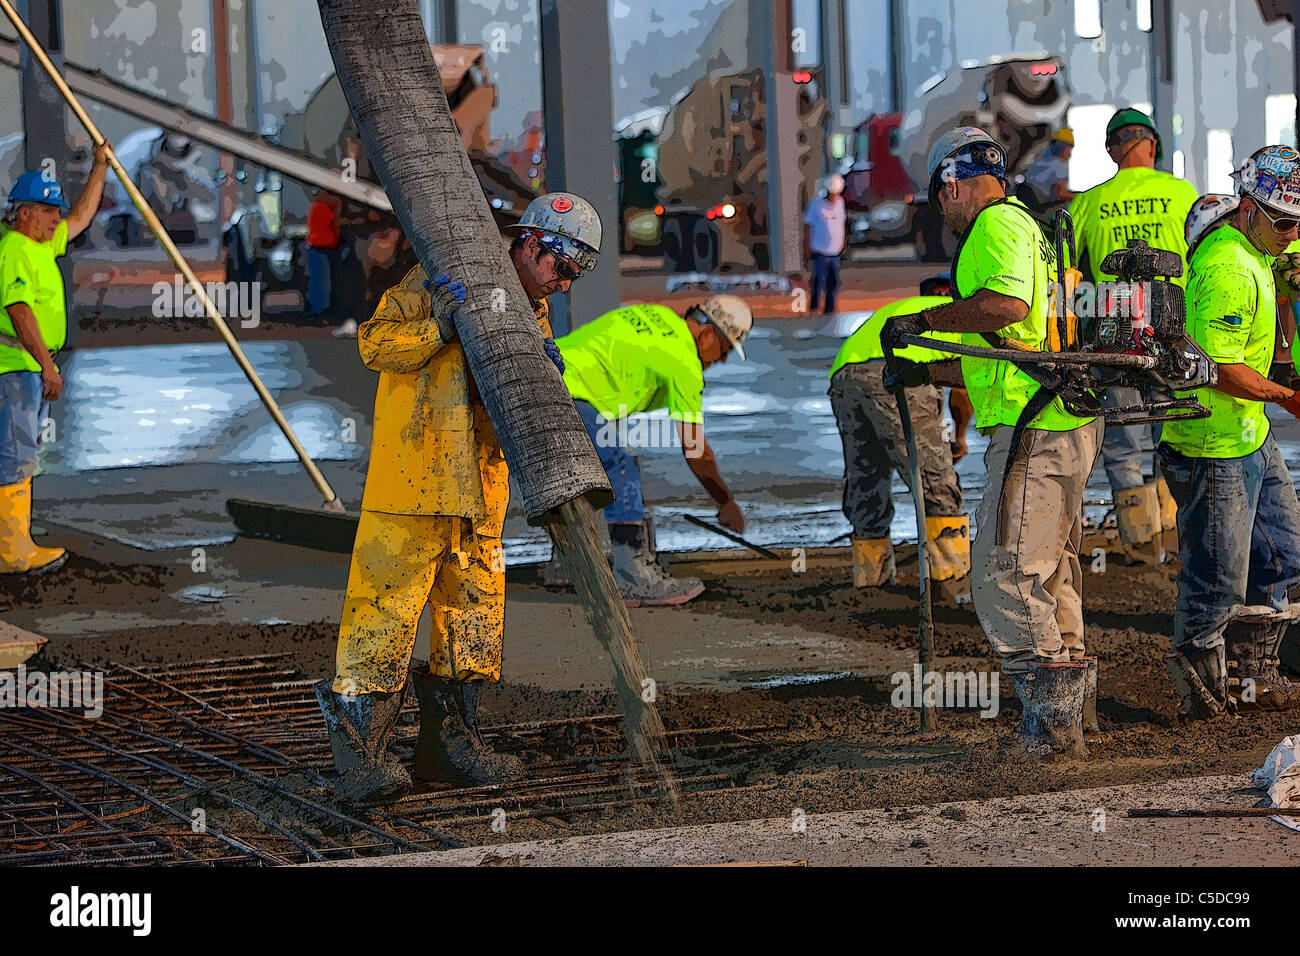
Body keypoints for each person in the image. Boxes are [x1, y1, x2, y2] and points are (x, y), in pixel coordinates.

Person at [316, 192, 602, 802]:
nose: (565, 282)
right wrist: (439, 325)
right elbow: (375, 344)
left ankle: (451, 747)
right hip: (415, 482)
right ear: (529, 243)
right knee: (384, 614)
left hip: (480, 491)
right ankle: (361, 757)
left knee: (474, 615)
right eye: (562, 266)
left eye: (576, 273)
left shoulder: (534, 311)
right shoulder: (445, 277)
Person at [882, 127, 1103, 758]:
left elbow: (1004, 308)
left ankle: (1051, 733)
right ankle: (1073, 721)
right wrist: (929, 368)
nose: (944, 216)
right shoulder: (1029, 226)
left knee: (1005, 575)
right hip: (1058, 419)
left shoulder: (996, 226)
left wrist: (925, 320)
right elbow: (1008, 352)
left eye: (941, 201)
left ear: (950, 185)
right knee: (1052, 573)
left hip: (1037, 429)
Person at [1159, 146, 1300, 718]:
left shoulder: (1257, 249)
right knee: (1217, 579)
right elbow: (1220, 369)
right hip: (1211, 444)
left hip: (1248, 435)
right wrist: (1289, 395)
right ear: (1249, 209)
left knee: (1283, 554)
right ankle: (1206, 699)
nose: (1293, 234)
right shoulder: (1227, 268)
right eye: (1285, 223)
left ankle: (1253, 677)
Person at [547, 295, 753, 605]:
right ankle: (634, 578)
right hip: (569, 391)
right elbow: (696, 450)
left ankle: (570, 562)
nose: (720, 361)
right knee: (621, 467)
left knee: (581, 472)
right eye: (724, 351)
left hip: (544, 373)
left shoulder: (658, 316)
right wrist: (725, 502)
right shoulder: (685, 361)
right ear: (708, 333)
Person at [1068, 108, 1199, 563]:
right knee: (1176, 431)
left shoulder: (1088, 203)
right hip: (1175, 330)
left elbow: (1070, 275)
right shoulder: (1182, 194)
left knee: (1125, 439)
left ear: (1111, 150)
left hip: (1115, 333)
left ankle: (1141, 543)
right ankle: (1177, 534)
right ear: (1153, 145)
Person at [0, 145, 111, 574]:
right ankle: (12, 551)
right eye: (48, 211)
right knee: (16, 451)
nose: (56, 219)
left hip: (25, 367)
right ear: (25, 212)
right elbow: (19, 311)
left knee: (19, 448)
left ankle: (14, 538)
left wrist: (100, 167)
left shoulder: (41, 245)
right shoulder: (15, 250)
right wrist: (47, 365)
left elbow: (81, 217)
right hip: (16, 368)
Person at [828, 275, 971, 589]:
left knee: (867, 477)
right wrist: (958, 439)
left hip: (844, 375)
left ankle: (871, 582)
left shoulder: (901, 308)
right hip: (897, 374)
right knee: (935, 482)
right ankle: (952, 581)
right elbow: (964, 388)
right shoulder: (959, 314)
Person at [804, 173, 847, 314]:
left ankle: (830, 308)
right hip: (820, 250)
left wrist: (843, 242)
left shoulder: (840, 203)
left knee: (833, 282)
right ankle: (814, 306)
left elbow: (842, 223)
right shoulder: (816, 204)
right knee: (818, 280)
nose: (834, 197)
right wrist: (807, 247)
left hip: (835, 250)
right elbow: (808, 226)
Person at [304, 190, 343, 322]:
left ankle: (318, 310)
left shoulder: (319, 204)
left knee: (318, 281)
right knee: (322, 281)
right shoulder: (325, 205)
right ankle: (320, 311)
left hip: (319, 246)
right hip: (322, 247)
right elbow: (334, 224)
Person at [1021, 128, 1074, 214]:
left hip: (1023, 196)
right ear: (1064, 147)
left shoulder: (1041, 158)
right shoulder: (1060, 164)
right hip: (1036, 203)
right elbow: (1061, 192)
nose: (1070, 154)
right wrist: (1081, 197)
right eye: (1070, 149)